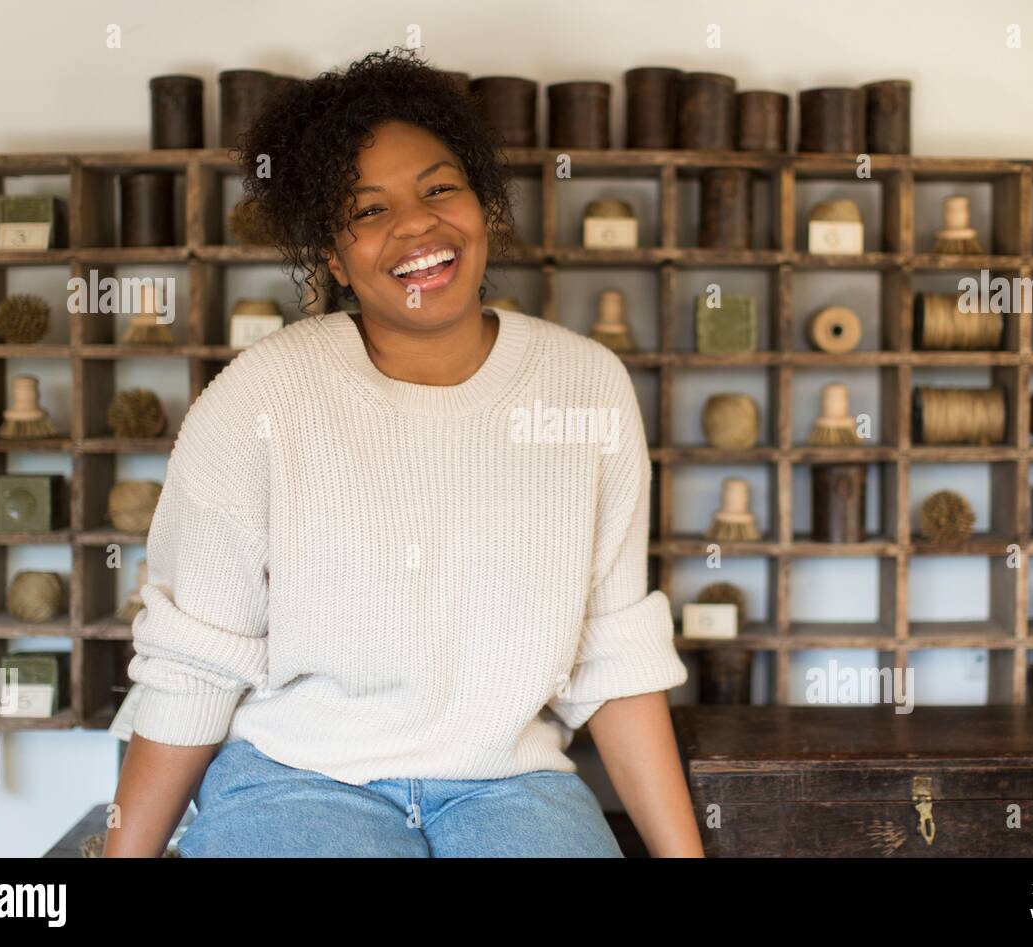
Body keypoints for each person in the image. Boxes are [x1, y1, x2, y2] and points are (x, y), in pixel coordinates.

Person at [103, 47, 701, 858]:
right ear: (333, 256)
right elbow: (194, 664)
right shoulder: (260, 396)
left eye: (439, 188)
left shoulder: (586, 386)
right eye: (368, 211)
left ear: (486, 206)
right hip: (296, 775)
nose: (417, 225)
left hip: (510, 784)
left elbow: (614, 656)